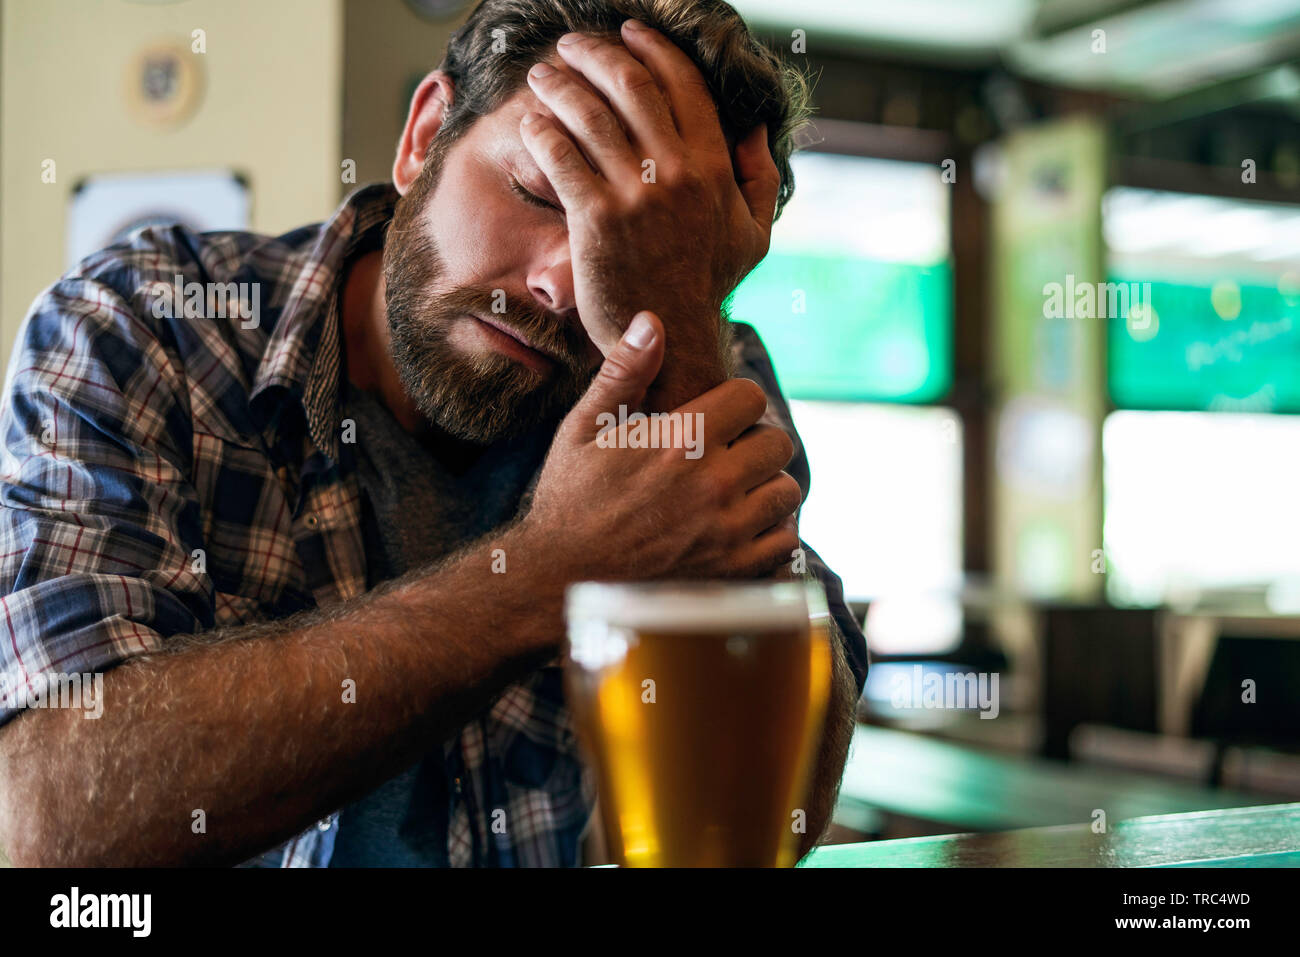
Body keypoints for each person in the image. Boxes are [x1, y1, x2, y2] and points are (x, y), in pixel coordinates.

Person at [0, 0, 868, 867]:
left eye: (643, 247)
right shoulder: (144, 329)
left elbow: (771, 824)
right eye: (538, 190)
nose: (562, 283)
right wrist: (548, 573)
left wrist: (678, 334)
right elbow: (50, 821)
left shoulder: (700, 369)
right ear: (423, 139)